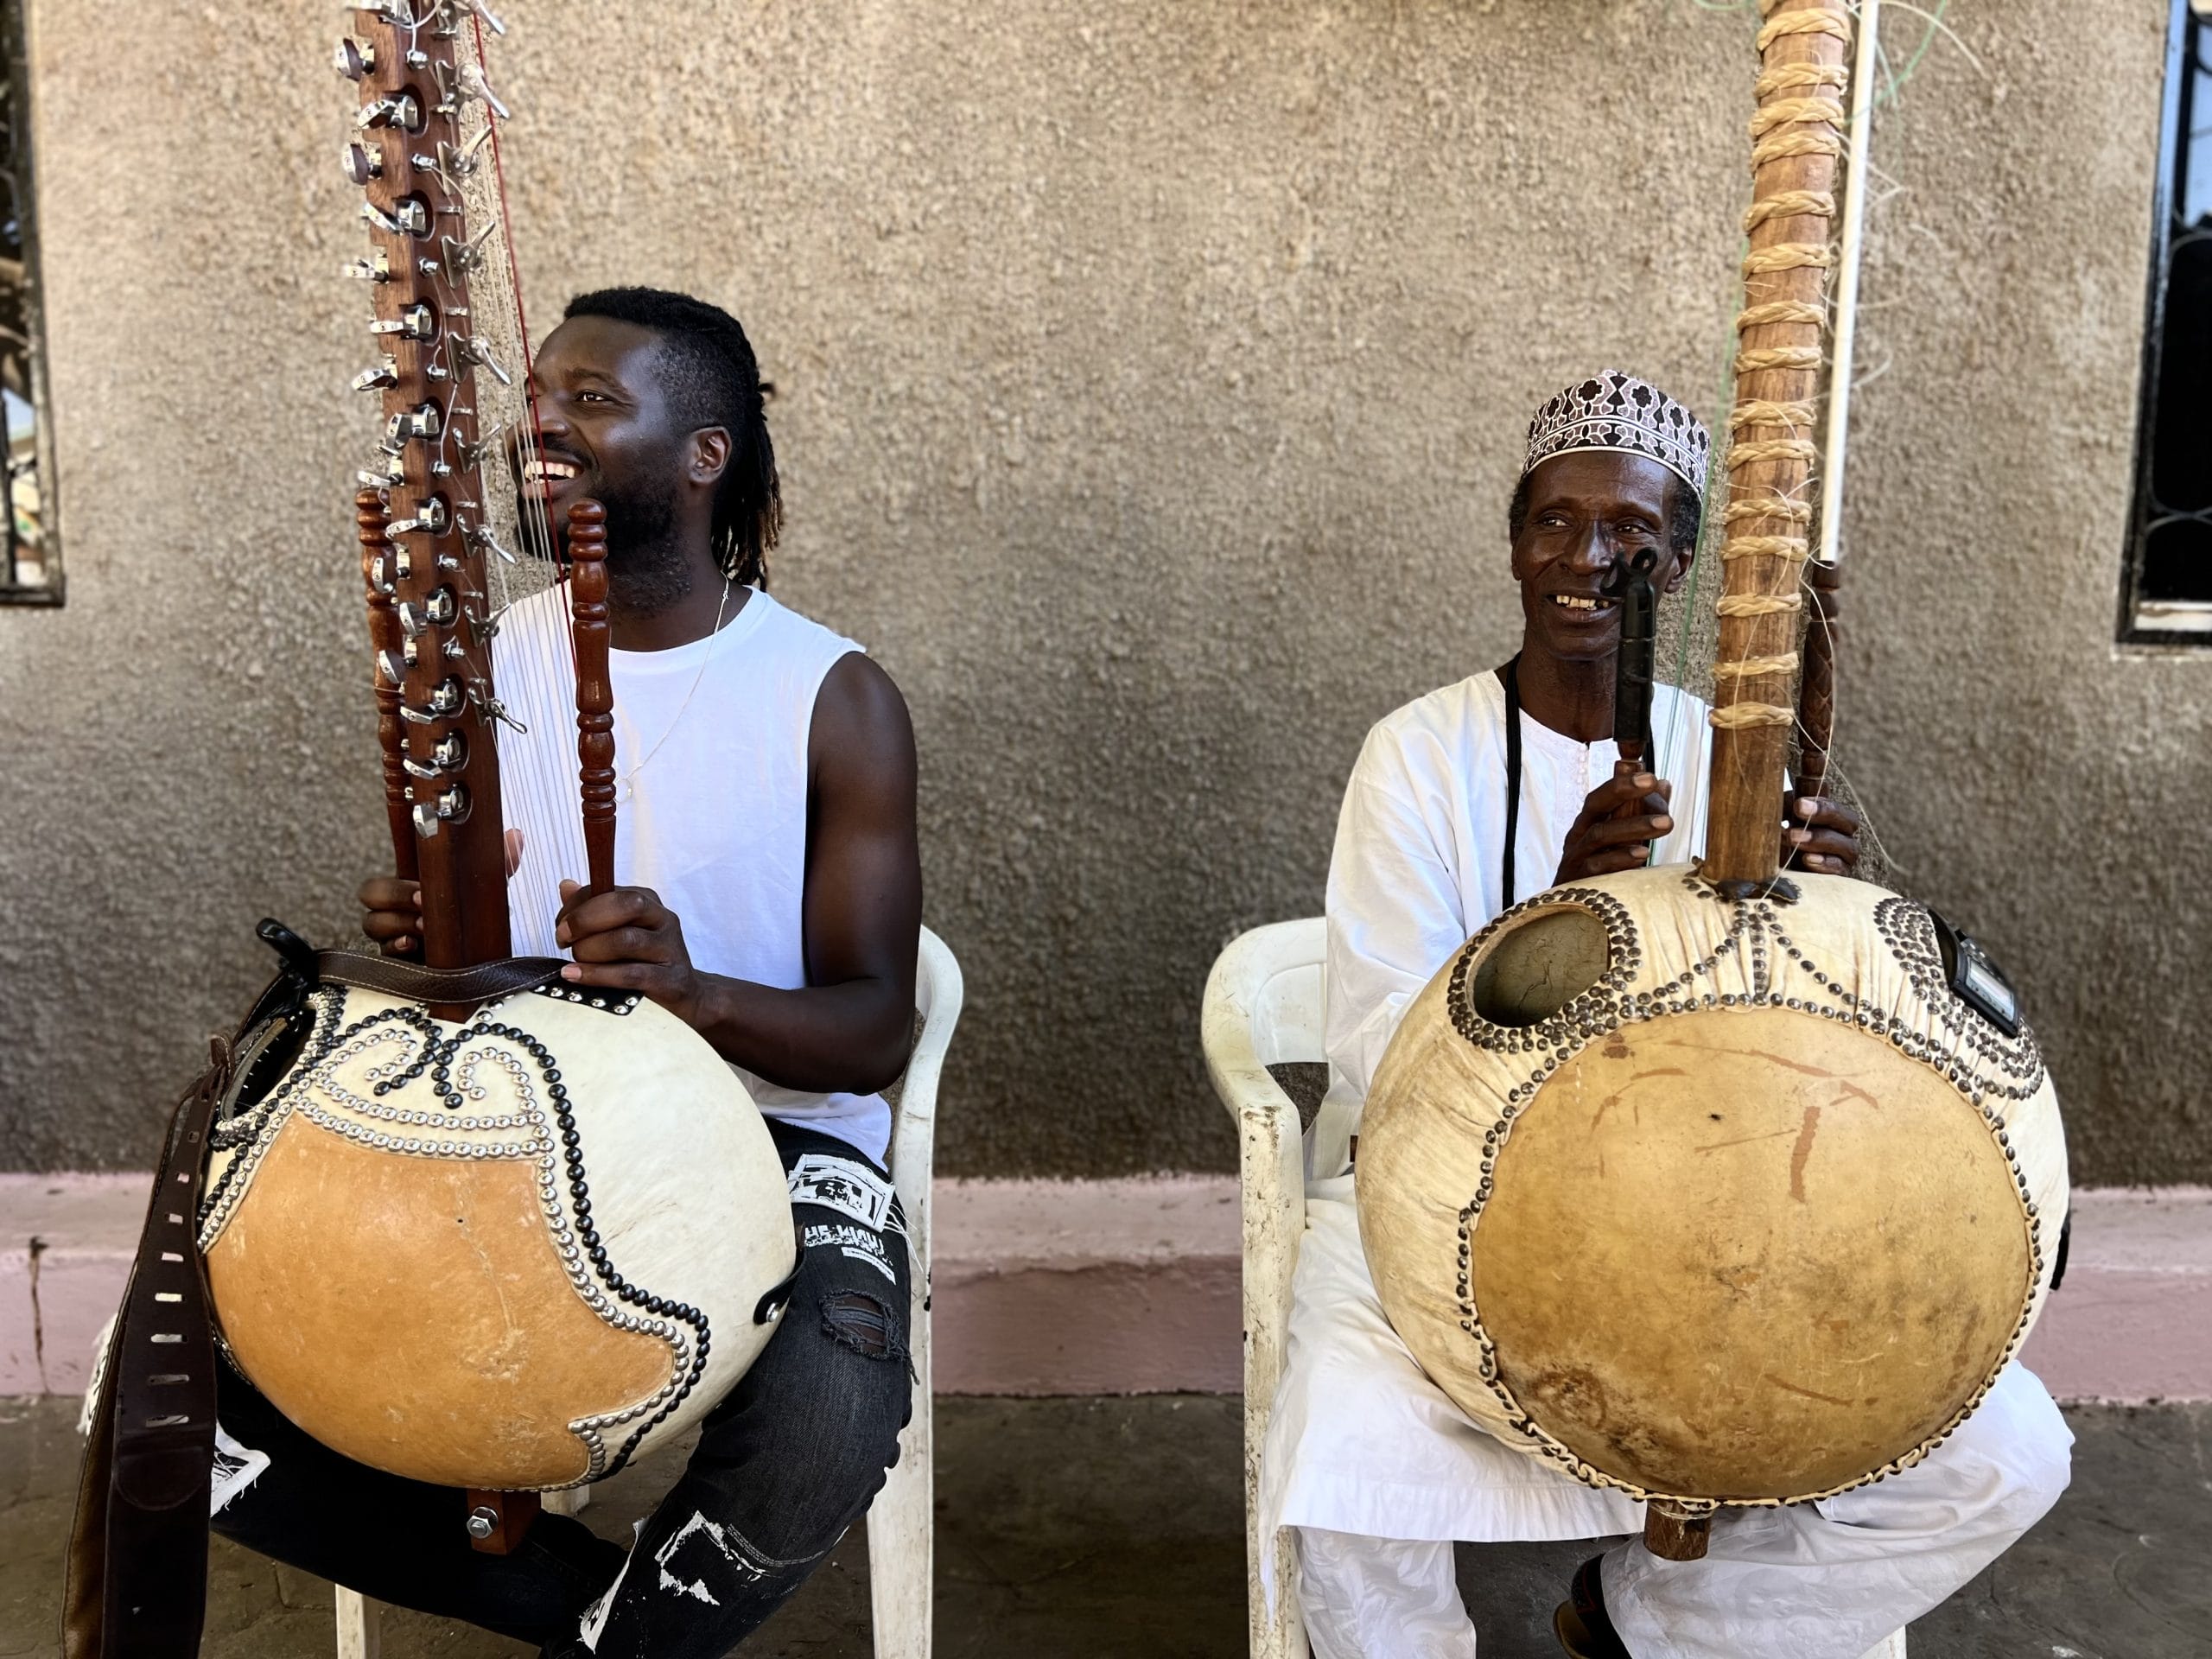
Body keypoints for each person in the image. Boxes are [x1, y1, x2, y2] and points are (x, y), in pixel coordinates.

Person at [1259, 371, 2073, 1659]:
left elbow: (1790, 1052)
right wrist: (1551, 914)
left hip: (1714, 1210)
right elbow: (1374, 1050)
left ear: (1682, 566)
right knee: (1344, 1435)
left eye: (1631, 533)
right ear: (1514, 545)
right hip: (1427, 1210)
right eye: (1556, 522)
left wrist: (1828, 912)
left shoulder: (1733, 760)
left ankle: (1651, 1627)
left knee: (2007, 1453)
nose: (1587, 559)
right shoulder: (1415, 753)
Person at [210, 286, 924, 1658]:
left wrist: (694, 993)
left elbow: (872, 1031)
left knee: (830, 1407)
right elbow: (470, 959)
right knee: (179, 1386)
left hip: (774, 1141)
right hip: (508, 1127)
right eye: (536, 394)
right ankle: (598, 1624)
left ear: (706, 455)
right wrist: (425, 944)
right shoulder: (475, 664)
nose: (538, 422)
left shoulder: (833, 697)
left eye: (591, 401)